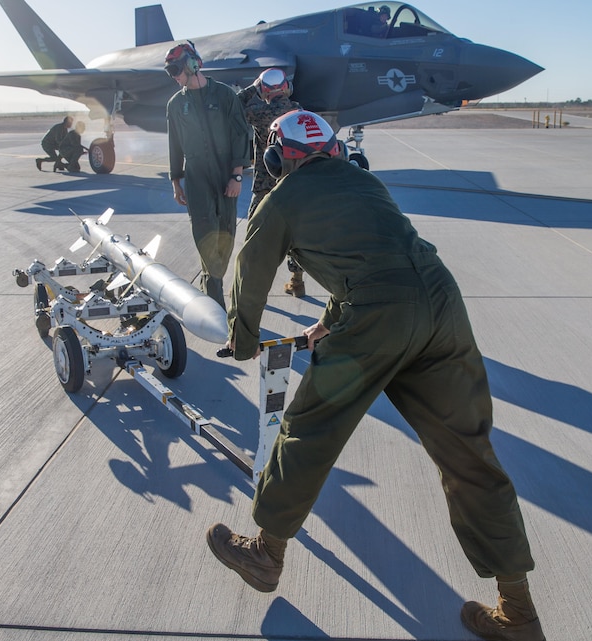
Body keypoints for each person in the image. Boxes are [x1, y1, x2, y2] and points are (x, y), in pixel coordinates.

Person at [207, 110, 545, 641]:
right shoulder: (366, 181)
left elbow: (250, 277)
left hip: (378, 321)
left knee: (309, 430)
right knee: (469, 456)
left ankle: (265, 555)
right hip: (442, 306)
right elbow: (383, 257)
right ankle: (519, 611)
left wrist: (244, 340)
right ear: (332, 151)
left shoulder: (280, 200)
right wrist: (328, 320)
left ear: (276, 156)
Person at [165, 41, 252, 309]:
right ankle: (215, 305)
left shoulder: (225, 96)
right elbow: (175, 143)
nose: (175, 76)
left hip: (225, 174)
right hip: (197, 178)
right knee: (205, 235)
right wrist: (175, 180)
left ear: (193, 64)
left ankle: (210, 283)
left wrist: (237, 175)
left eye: (176, 69)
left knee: (225, 238)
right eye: (170, 72)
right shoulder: (176, 104)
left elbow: (241, 135)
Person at [237, 68, 307, 297]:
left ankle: (249, 283)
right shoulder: (298, 111)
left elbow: (233, 106)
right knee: (294, 233)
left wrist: (253, 88)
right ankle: (297, 281)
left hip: (264, 184)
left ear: (263, 90)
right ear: (286, 87)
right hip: (292, 183)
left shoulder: (258, 112)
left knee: (255, 231)